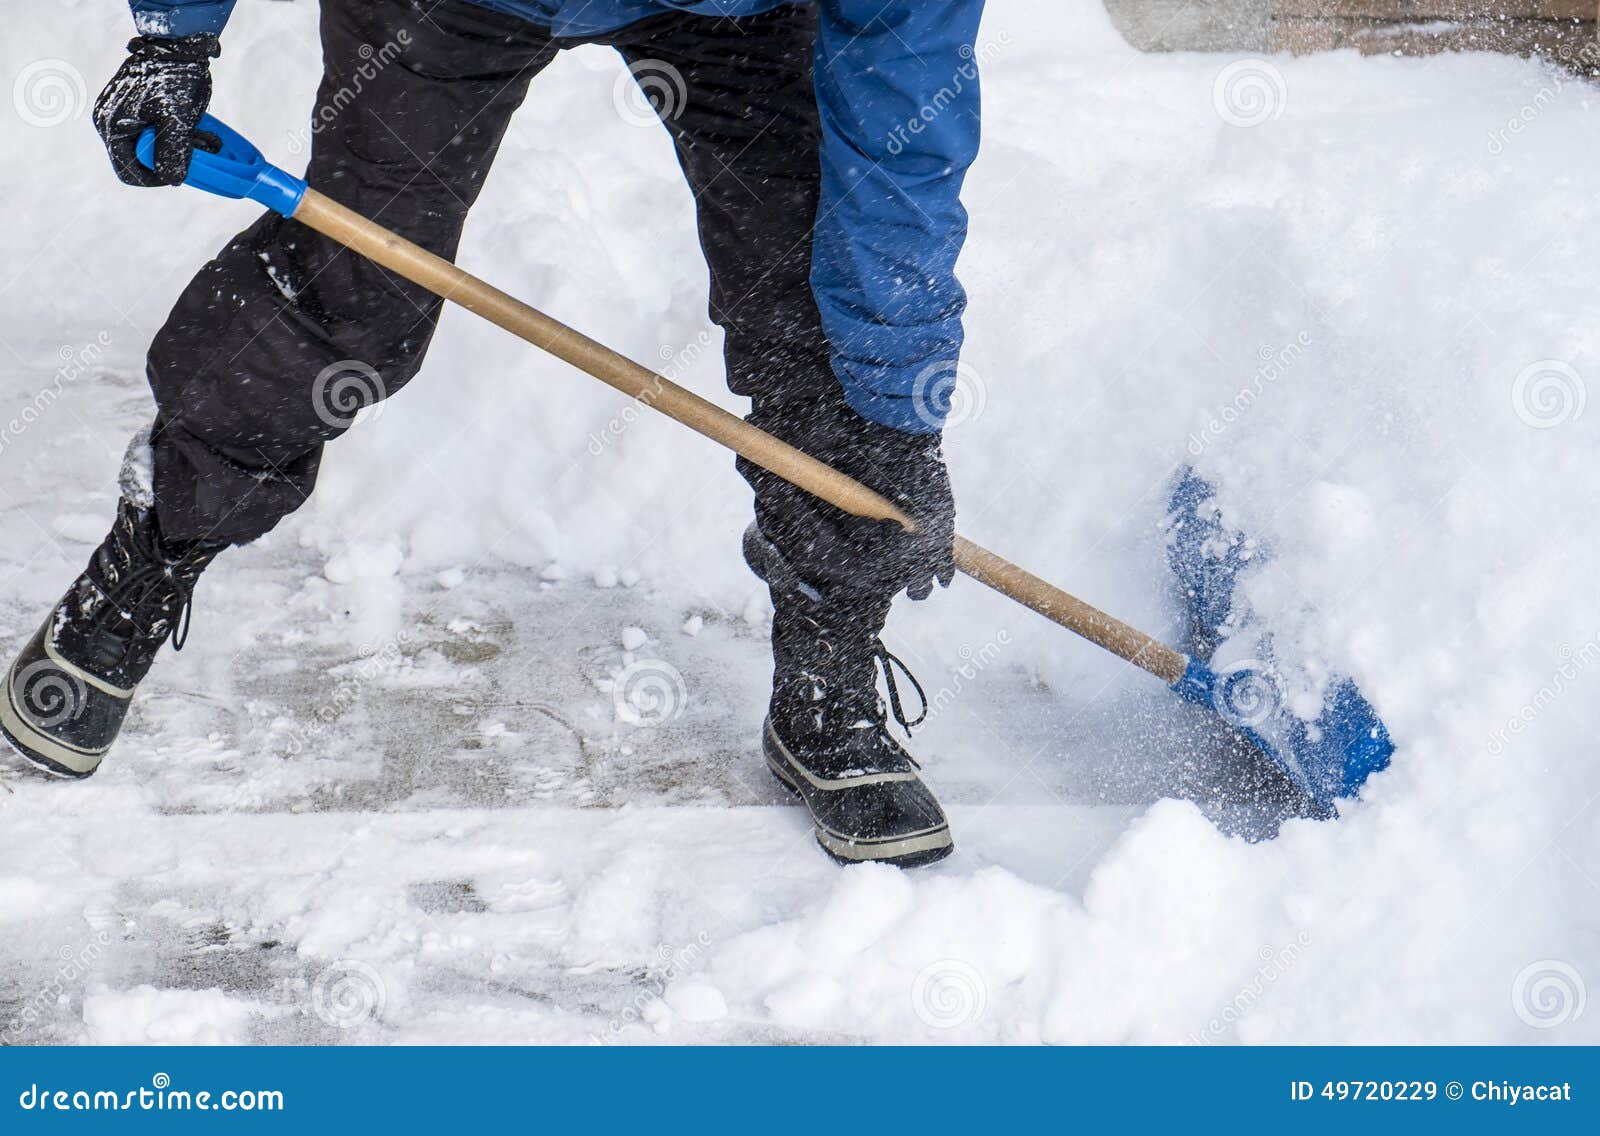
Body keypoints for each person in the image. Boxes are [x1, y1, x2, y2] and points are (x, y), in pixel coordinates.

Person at [1, 0, 984, 868]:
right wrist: (176, 32)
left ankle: (829, 658)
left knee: (820, 294)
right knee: (355, 293)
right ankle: (156, 546)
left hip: (727, 12)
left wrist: (893, 419)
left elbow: (902, 117)